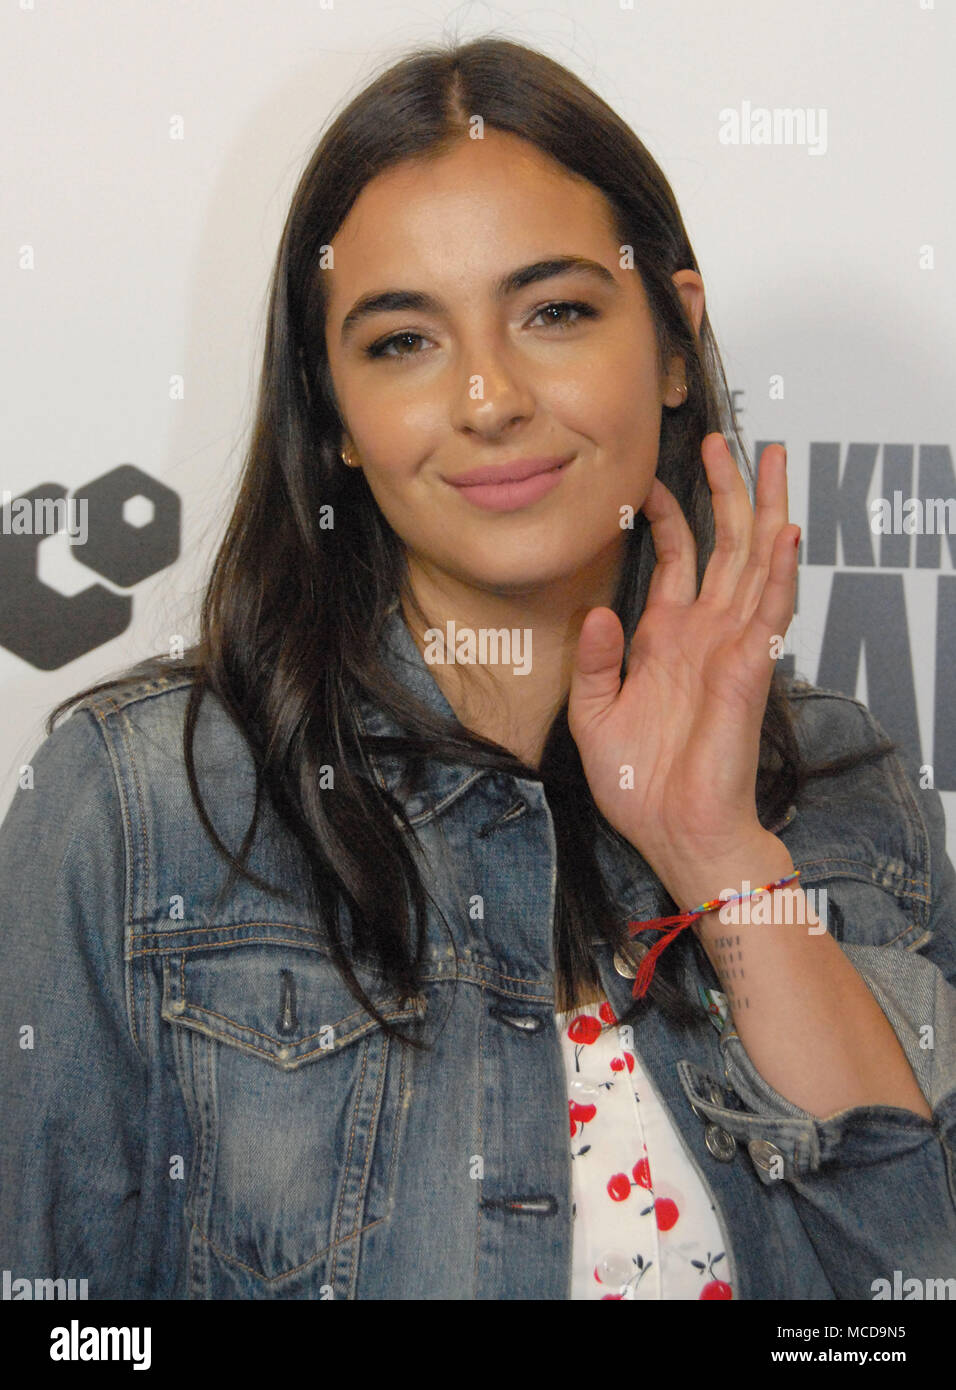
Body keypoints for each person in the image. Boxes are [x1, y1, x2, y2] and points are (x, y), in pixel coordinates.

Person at [1, 36, 954, 1302]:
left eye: (555, 311)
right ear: (332, 412)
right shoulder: (136, 806)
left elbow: (905, 1292)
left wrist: (721, 857)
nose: (488, 396)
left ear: (673, 344)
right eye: (401, 341)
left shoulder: (840, 784)